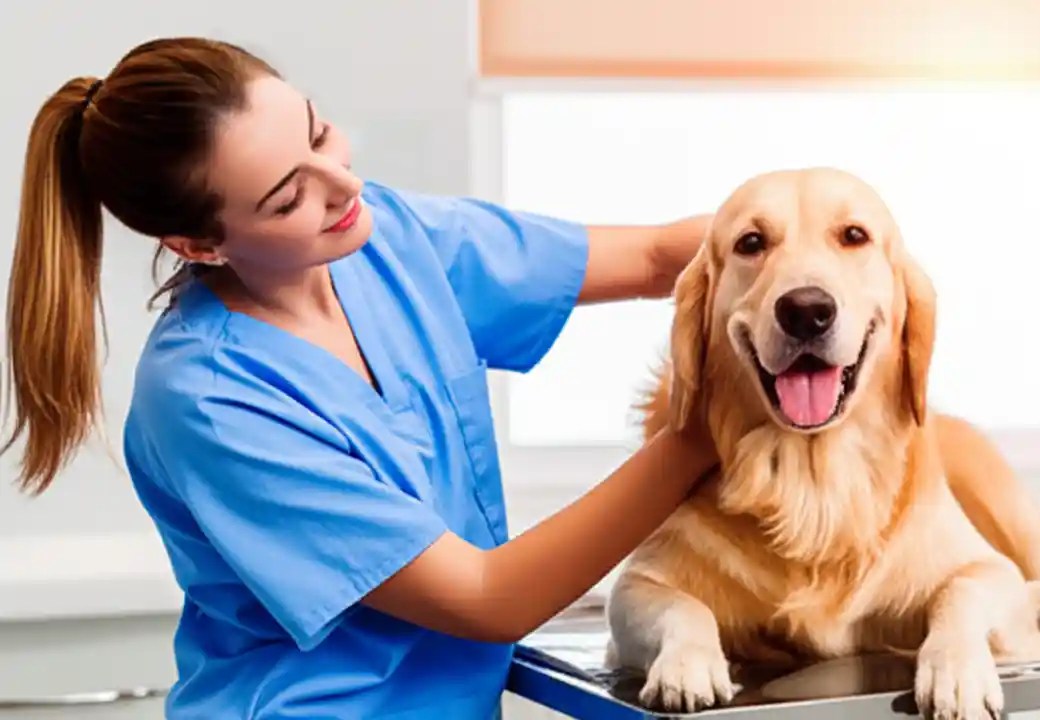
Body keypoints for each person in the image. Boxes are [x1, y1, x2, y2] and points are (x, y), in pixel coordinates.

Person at [4, 37, 717, 719]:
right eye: (289, 198)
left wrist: (782, 231)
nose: (344, 184)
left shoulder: (389, 240)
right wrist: (703, 433)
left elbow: (658, 257)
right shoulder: (210, 399)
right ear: (199, 245)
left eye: (318, 133)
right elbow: (489, 598)